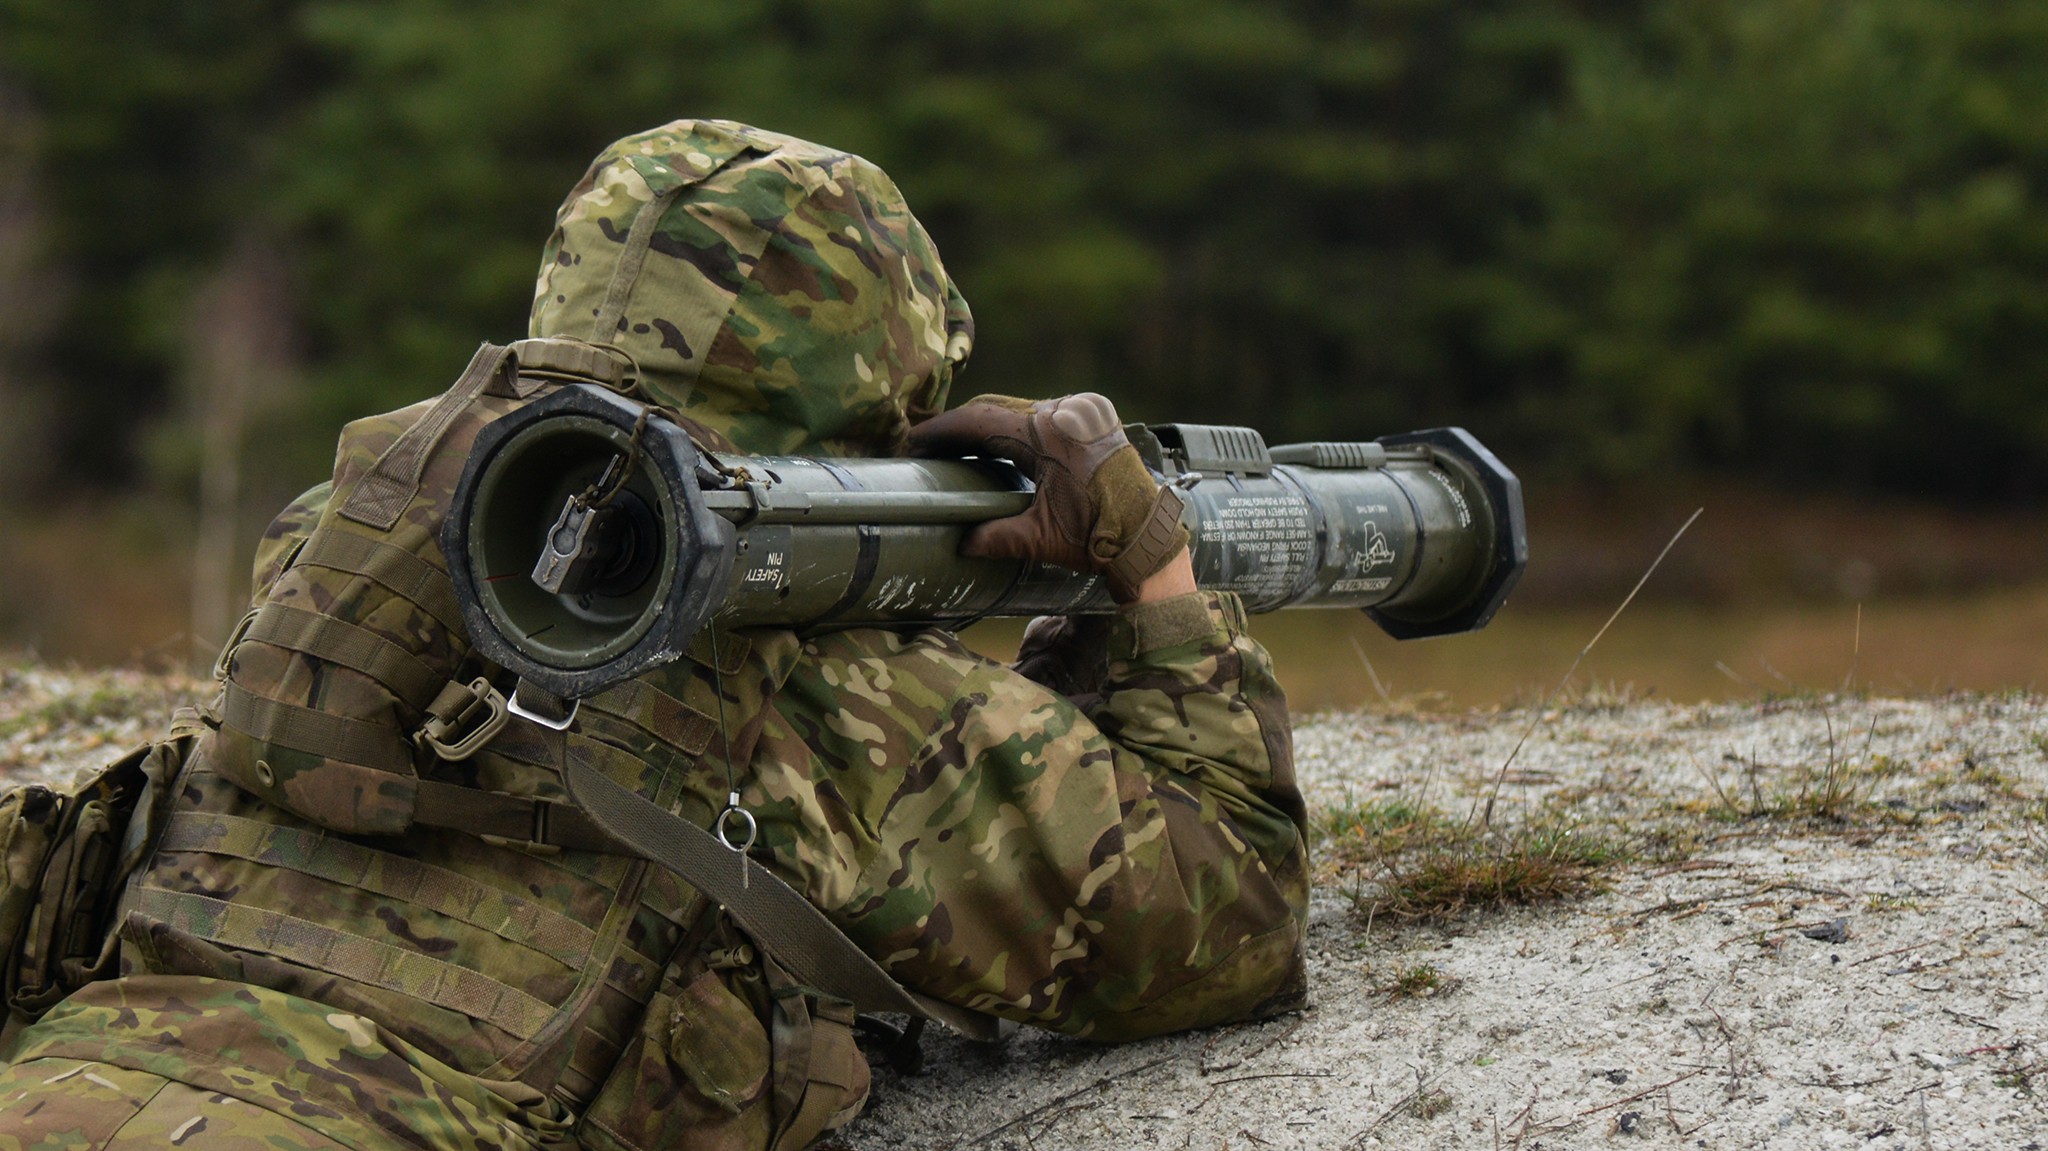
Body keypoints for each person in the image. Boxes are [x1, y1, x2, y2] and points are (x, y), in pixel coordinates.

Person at [0, 119, 1308, 1151]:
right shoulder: (828, 697)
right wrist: (1158, 583)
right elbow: (1230, 925)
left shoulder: (326, 551)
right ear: (884, 392)